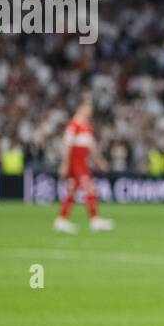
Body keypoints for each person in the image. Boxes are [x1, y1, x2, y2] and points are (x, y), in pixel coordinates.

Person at [53, 99, 113, 233]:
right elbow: (67, 146)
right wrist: (64, 164)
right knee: (89, 188)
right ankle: (95, 220)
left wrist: (99, 161)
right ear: (81, 108)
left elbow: (91, 147)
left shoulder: (86, 126)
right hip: (75, 163)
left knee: (72, 191)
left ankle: (61, 220)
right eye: (88, 108)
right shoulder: (73, 125)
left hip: (81, 162)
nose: (90, 111)